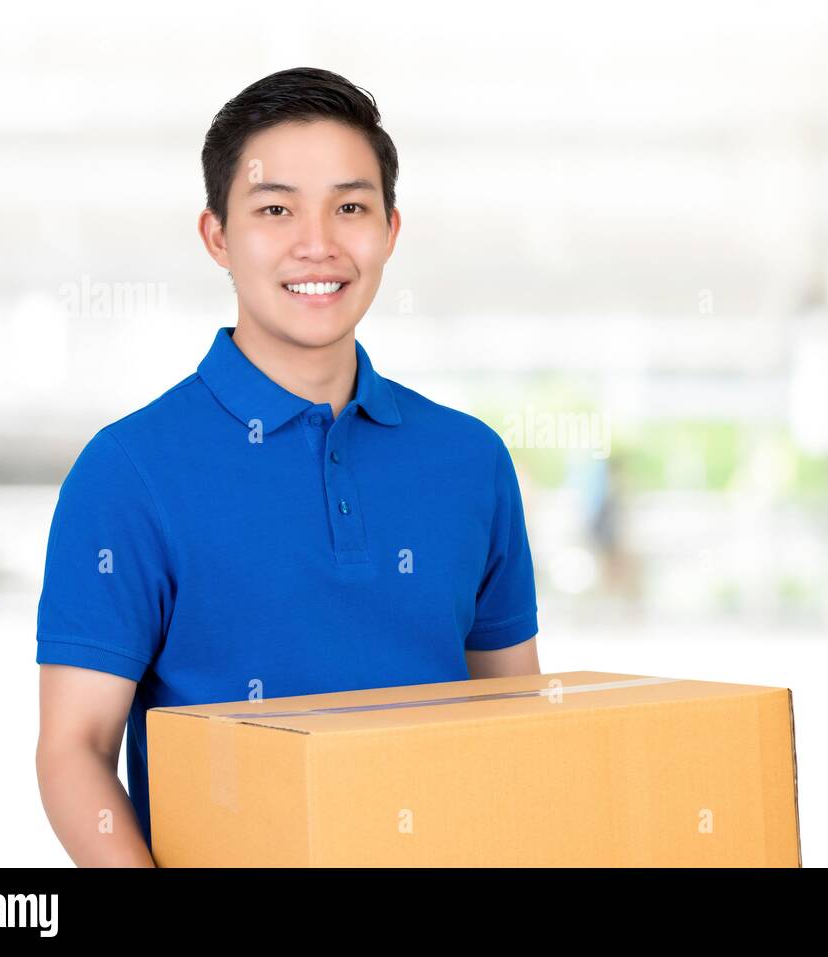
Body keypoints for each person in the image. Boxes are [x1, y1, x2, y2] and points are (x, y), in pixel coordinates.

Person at [34, 68, 541, 866]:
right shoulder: (127, 471)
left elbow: (514, 725)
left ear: (391, 229)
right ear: (217, 236)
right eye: (276, 209)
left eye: (350, 206)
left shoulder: (470, 459)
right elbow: (75, 749)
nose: (319, 243)